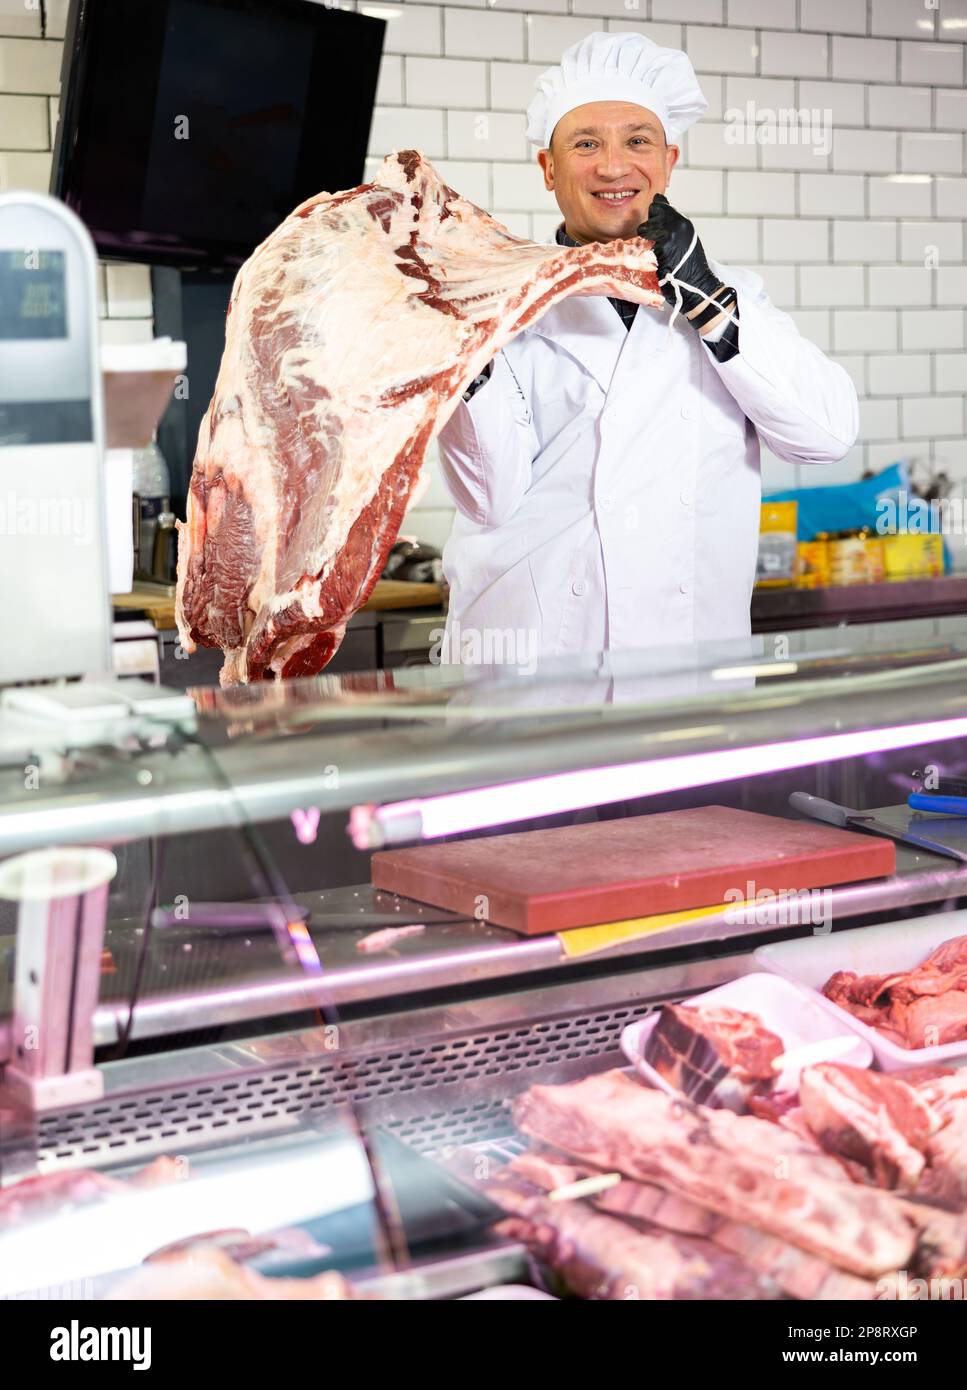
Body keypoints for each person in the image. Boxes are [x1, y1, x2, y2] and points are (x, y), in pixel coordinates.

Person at [437, 30, 858, 663]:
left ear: (668, 161)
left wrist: (708, 302)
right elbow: (488, 498)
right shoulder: (500, 301)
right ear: (548, 169)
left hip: (689, 670)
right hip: (533, 674)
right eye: (586, 144)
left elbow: (825, 437)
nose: (613, 166)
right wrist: (462, 353)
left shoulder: (734, 295)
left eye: (637, 141)